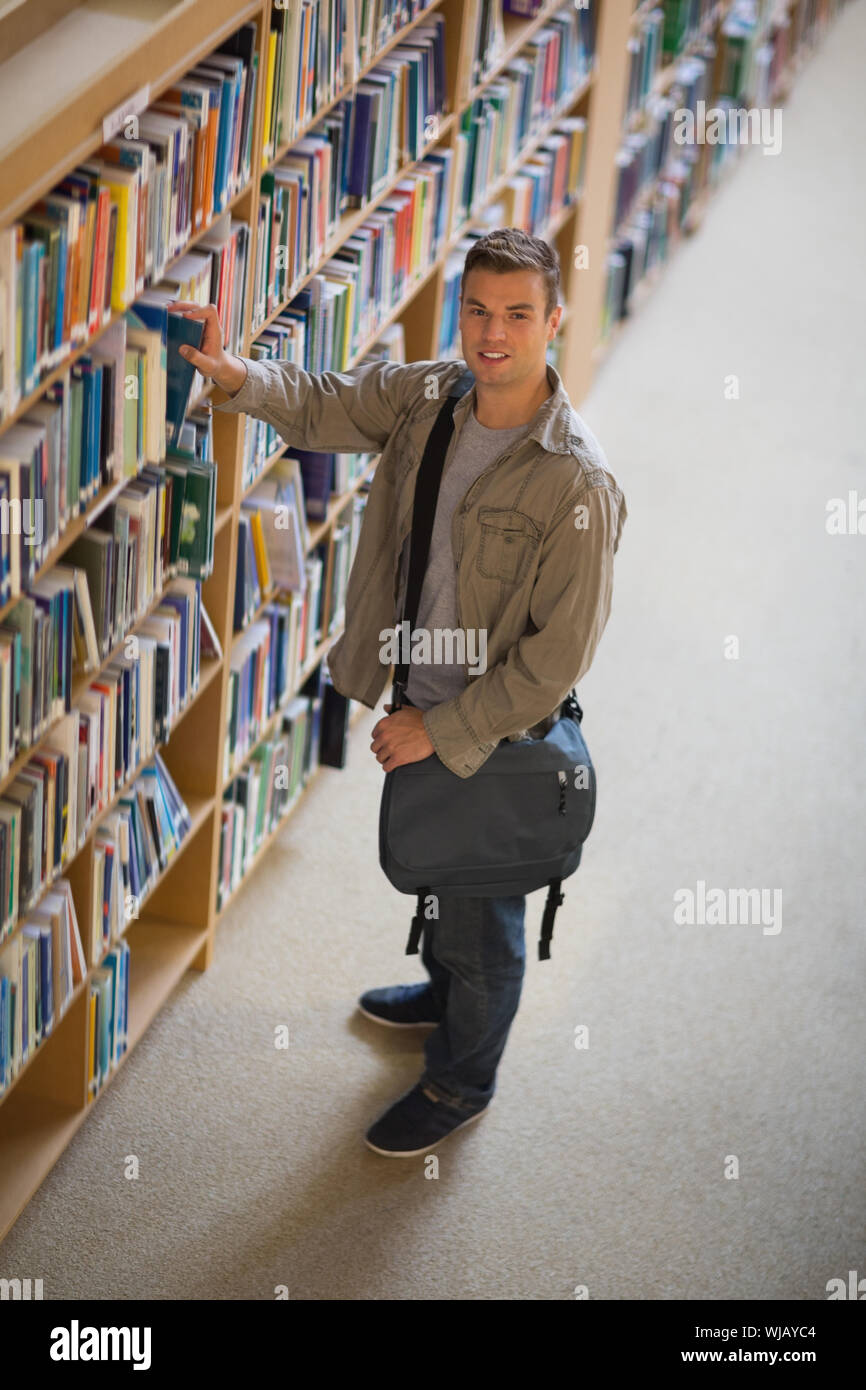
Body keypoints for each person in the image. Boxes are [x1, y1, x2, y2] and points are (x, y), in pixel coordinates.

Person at [171, 227, 626, 1158]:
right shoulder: (430, 396)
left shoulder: (577, 481)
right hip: (419, 691)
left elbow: (557, 661)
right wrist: (234, 374)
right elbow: (331, 404)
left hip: (487, 733)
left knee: (482, 910)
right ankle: (443, 993)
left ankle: (464, 1082)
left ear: (554, 320)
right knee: (442, 875)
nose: (493, 335)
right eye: (478, 310)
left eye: (518, 315)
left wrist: (441, 728)